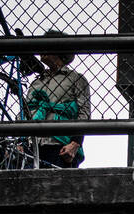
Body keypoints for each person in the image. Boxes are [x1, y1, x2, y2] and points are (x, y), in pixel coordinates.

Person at [24, 31, 91, 168]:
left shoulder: (75, 79)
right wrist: (21, 142)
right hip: (32, 145)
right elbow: (27, 112)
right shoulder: (37, 82)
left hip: (60, 145)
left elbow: (84, 113)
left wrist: (75, 143)